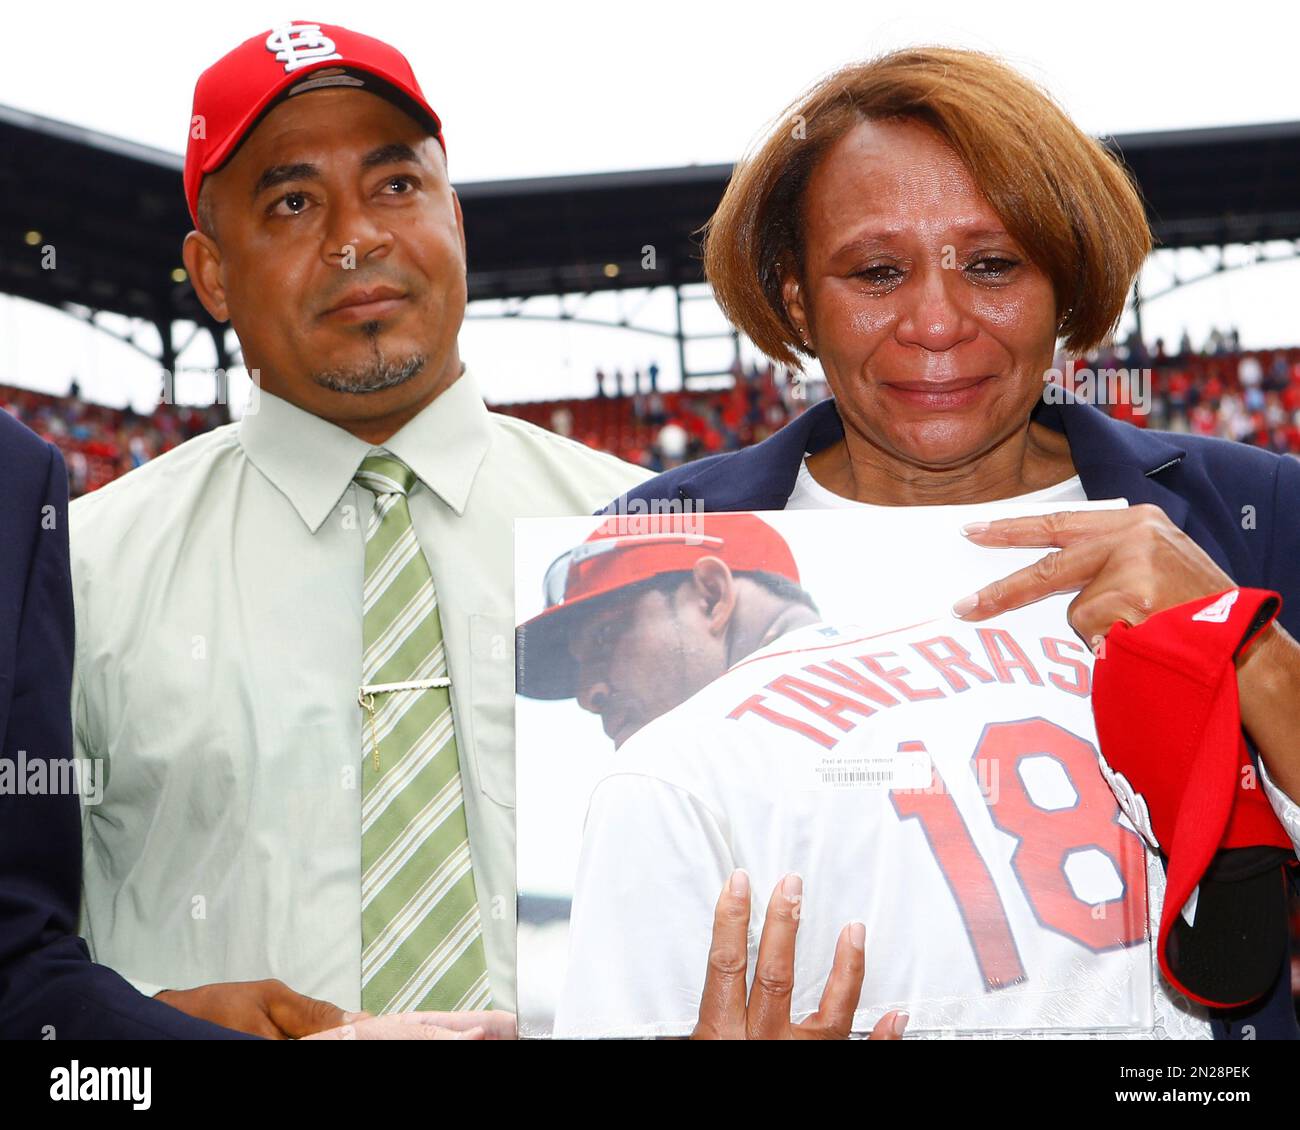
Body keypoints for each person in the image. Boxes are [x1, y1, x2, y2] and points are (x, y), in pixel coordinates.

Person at [595, 47, 1300, 1039]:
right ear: (796, 297)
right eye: (876, 271)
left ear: (1064, 281)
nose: (936, 322)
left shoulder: (1257, 512)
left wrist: (1249, 649)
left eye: (993, 263)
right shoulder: (649, 541)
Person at [69, 20, 646, 1037]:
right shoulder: (72, 571)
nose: (356, 237)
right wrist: (141, 1039)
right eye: (293, 202)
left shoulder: (644, 532)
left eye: (395, 185)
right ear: (210, 273)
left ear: (454, 218)